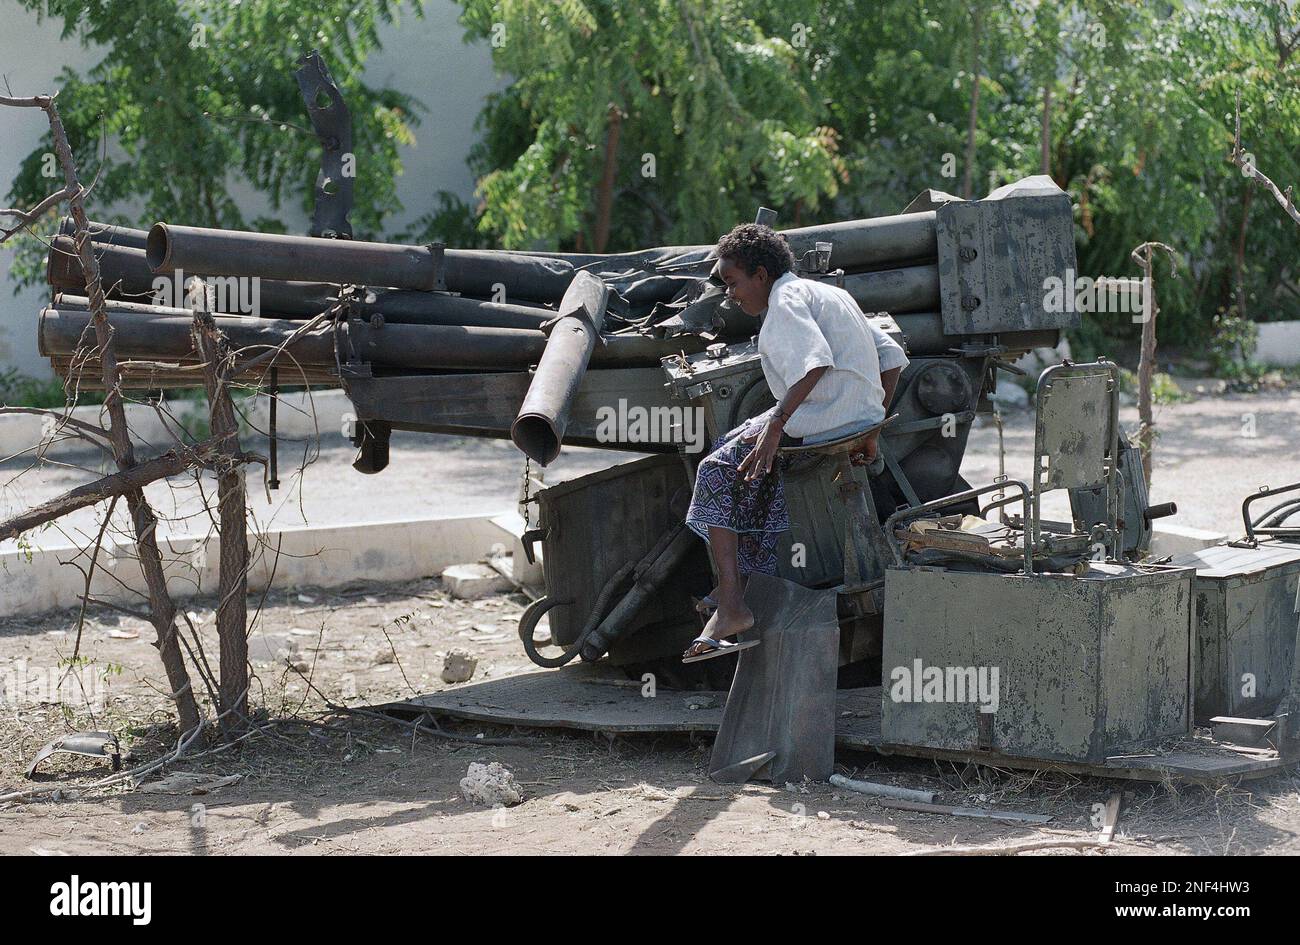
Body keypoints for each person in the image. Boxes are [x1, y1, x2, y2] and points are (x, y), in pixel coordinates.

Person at [682, 223, 908, 662]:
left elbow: (816, 363)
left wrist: (777, 424)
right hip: (851, 416)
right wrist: (872, 425)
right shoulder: (826, 293)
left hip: (823, 418)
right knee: (740, 453)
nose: (730, 294)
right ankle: (739, 580)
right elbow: (893, 358)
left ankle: (732, 606)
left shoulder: (785, 302)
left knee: (713, 470)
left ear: (761, 275)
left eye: (733, 283)